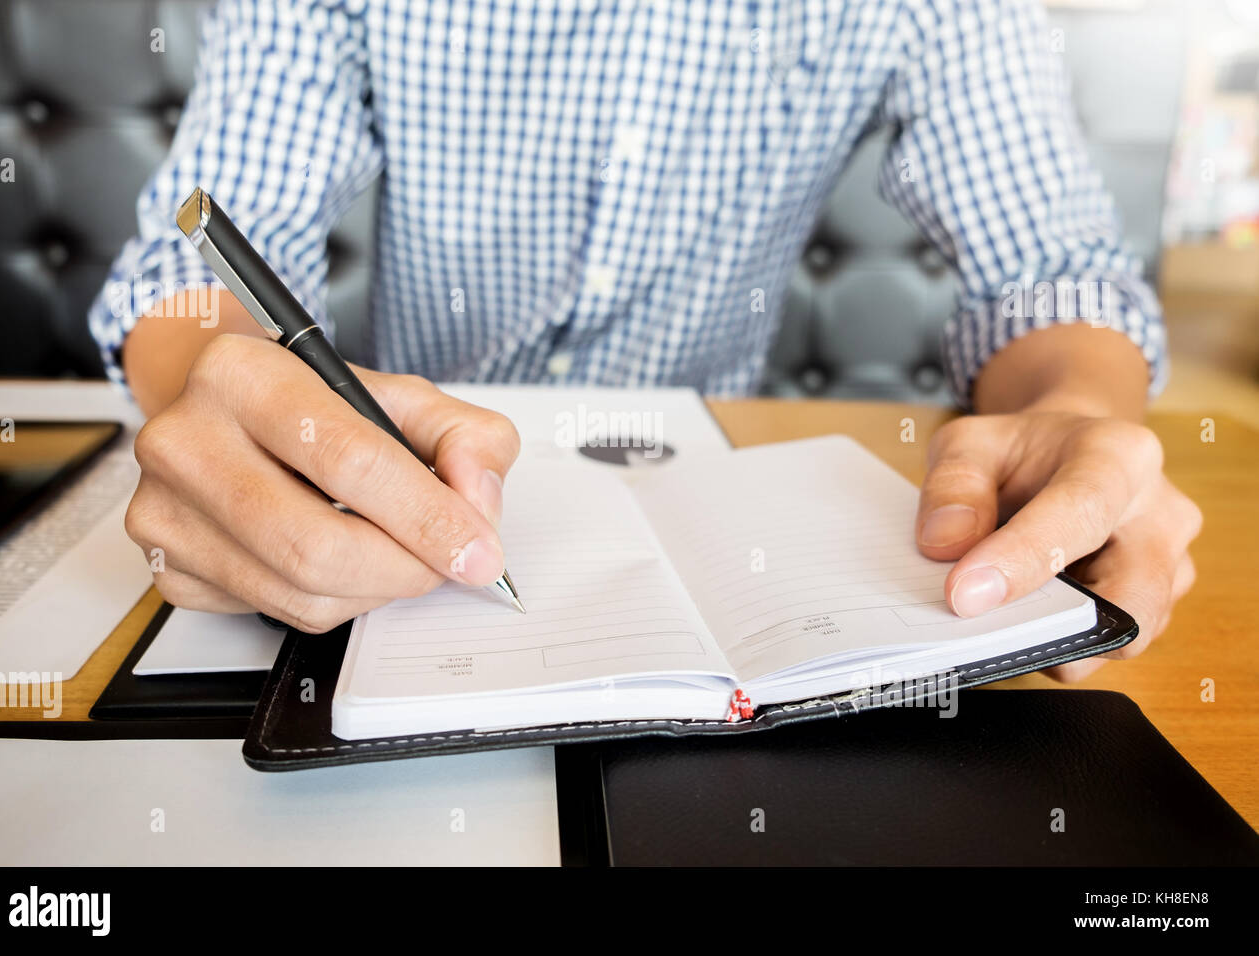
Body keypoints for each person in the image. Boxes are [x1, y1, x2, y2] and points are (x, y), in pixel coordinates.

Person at [89, 0, 1201, 680]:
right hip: (398, 471)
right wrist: (231, 396)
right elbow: (196, 264)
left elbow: (1053, 274)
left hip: (708, 494)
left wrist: (1077, 419)